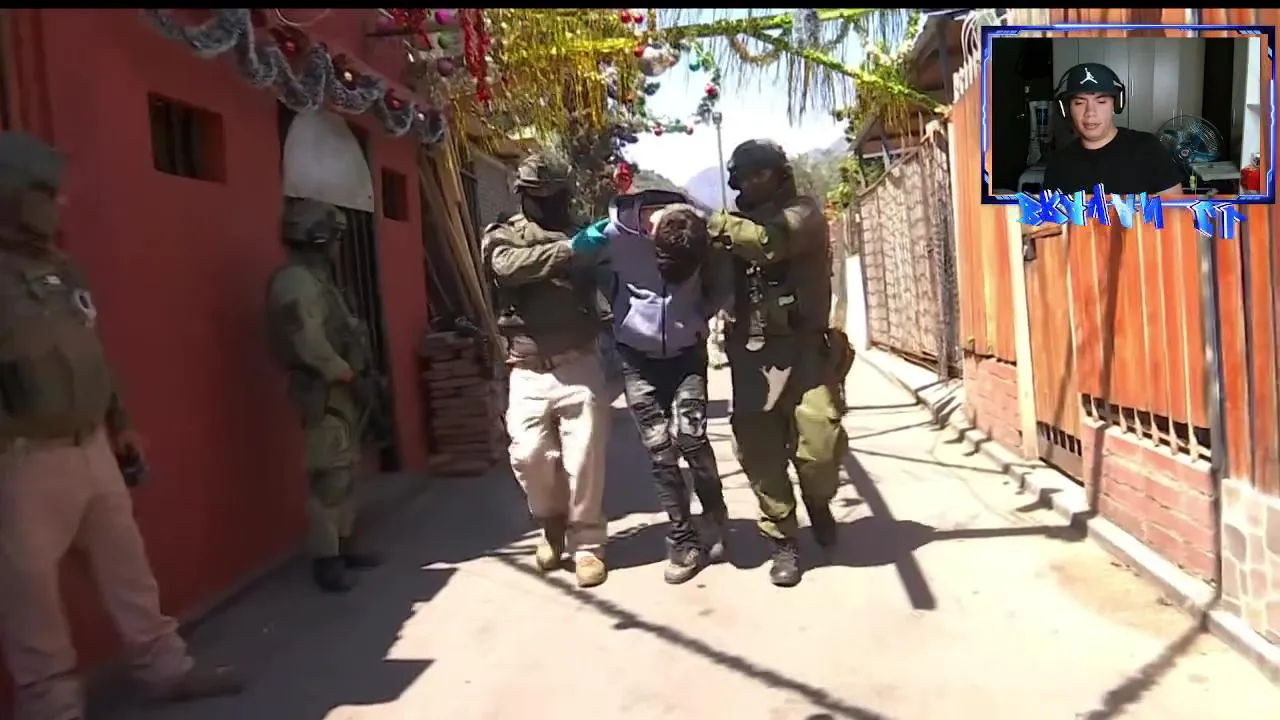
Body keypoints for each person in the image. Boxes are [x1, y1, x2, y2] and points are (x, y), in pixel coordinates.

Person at [0, 131, 243, 719]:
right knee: (32, 600)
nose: (59, 203)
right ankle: (53, 707)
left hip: (91, 449)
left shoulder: (63, 270)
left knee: (129, 572)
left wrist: (121, 422)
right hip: (22, 461)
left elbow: (92, 352)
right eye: (47, 194)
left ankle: (167, 671)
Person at [706, 139, 851, 588]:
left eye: (761, 174)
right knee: (760, 452)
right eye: (746, 177)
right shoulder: (730, 230)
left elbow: (769, 243)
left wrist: (714, 224)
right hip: (752, 355)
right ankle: (783, 539)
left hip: (806, 351)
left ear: (780, 174)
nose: (753, 183)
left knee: (821, 446)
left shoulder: (803, 213)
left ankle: (818, 501)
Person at [481, 154, 612, 588]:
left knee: (585, 457)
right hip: (527, 367)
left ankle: (588, 543)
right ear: (521, 194)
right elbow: (505, 267)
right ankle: (551, 524)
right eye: (535, 194)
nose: (544, 202)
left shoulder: (582, 232)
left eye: (551, 194)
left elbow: (611, 278)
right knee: (529, 455)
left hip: (579, 360)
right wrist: (568, 251)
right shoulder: (503, 234)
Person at [598, 193, 732, 584]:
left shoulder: (701, 232)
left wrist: (700, 315)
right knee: (660, 452)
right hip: (637, 359)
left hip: (686, 355)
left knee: (691, 438)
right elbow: (585, 266)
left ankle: (714, 515)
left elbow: (724, 275)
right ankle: (682, 540)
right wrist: (615, 314)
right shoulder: (615, 235)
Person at [265, 197, 383, 594]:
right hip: (323, 388)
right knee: (329, 477)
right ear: (318, 239)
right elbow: (310, 345)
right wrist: (349, 376)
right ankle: (326, 560)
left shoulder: (318, 280)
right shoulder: (296, 282)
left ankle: (344, 546)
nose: (337, 246)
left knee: (346, 470)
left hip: (341, 388)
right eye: (333, 238)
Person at [1042, 62, 1184, 197]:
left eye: (1101, 101)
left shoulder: (1148, 149)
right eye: (1079, 103)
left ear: (1116, 105)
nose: (1090, 112)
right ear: (1067, 109)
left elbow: (1176, 210)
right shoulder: (1058, 165)